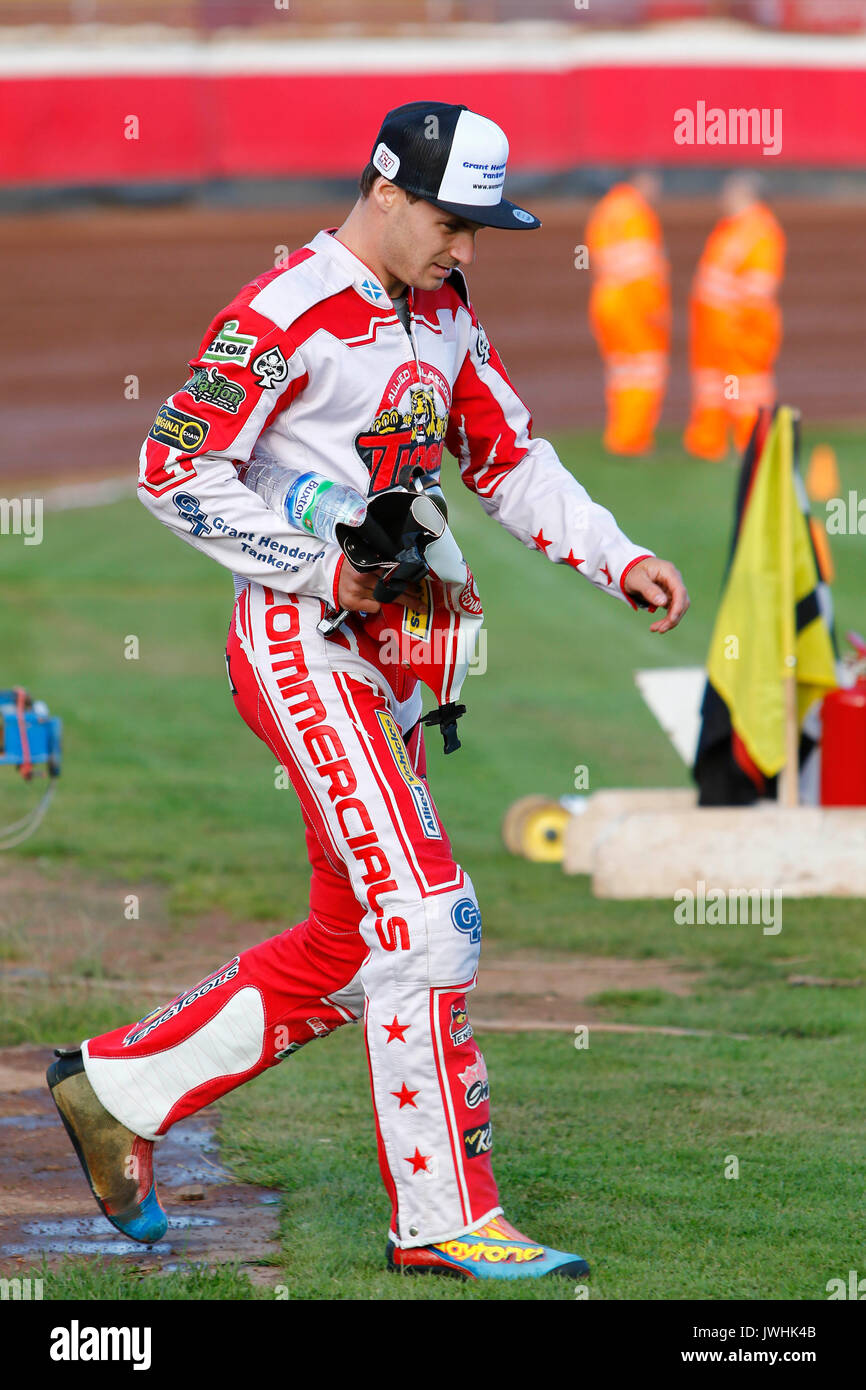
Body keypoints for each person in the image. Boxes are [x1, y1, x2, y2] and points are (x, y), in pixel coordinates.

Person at [47, 101, 689, 1282]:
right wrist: (319, 566)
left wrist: (619, 554)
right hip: (299, 646)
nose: (466, 247)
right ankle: (441, 1215)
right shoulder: (282, 311)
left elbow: (508, 458)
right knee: (431, 919)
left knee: (349, 946)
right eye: (452, 221)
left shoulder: (444, 308)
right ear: (386, 191)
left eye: (481, 228)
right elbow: (170, 468)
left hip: (380, 663)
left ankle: (116, 1088)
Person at [684, 173, 786, 461]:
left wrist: (741, 327)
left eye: (730, 191)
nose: (723, 196)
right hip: (716, 329)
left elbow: (758, 287)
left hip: (742, 328)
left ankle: (754, 446)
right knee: (712, 386)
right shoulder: (731, 228)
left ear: (747, 194)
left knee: (749, 389)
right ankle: (708, 443)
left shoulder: (760, 229)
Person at [585, 172, 670, 456]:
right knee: (645, 369)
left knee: (621, 370)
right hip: (632, 303)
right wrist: (655, 309)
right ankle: (634, 439)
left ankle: (619, 435)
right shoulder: (637, 213)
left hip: (605, 299)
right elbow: (643, 269)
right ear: (642, 181)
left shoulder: (606, 209)